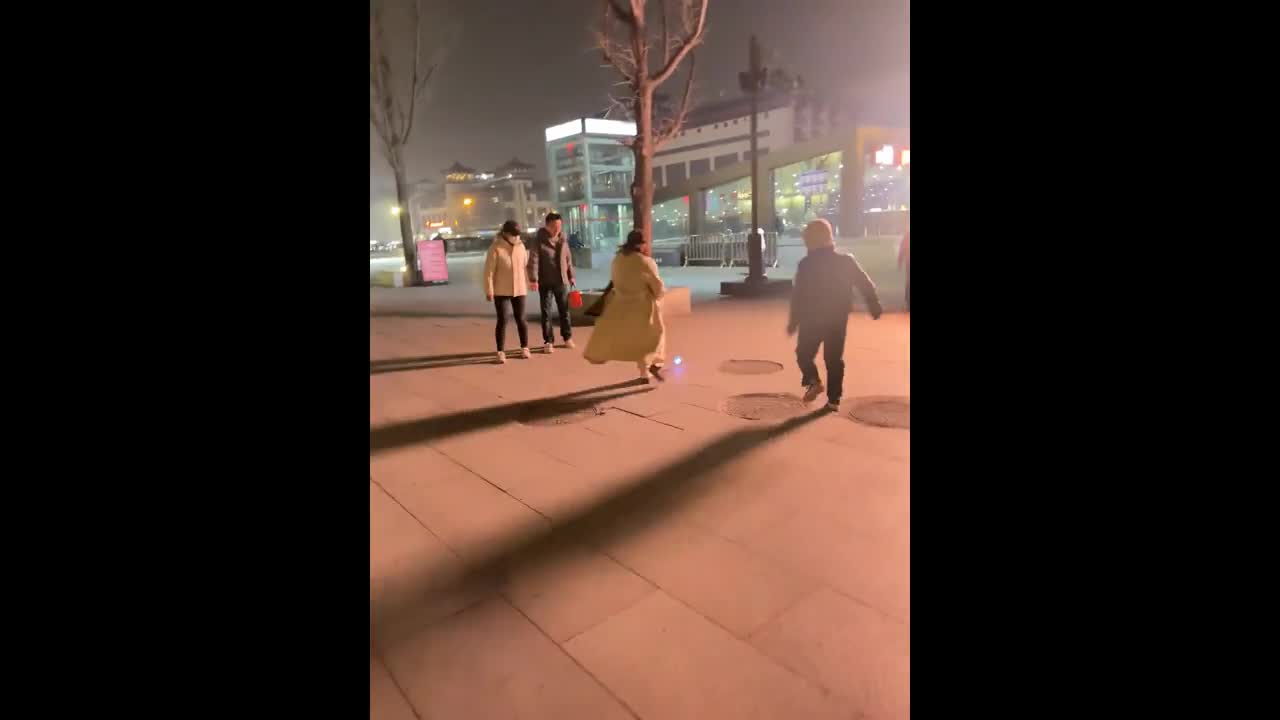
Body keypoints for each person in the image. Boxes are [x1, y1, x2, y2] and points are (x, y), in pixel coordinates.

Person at [787, 219, 882, 411]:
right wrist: (874, 305)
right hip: (837, 318)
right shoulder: (845, 261)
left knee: (803, 353)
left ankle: (813, 380)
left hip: (811, 318)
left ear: (810, 242)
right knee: (833, 359)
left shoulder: (805, 264)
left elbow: (799, 295)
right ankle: (833, 400)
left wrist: (794, 321)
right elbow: (865, 283)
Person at [583, 229, 667, 382]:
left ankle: (644, 373)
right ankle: (653, 364)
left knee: (636, 339)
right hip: (643, 306)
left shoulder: (617, 260)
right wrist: (658, 296)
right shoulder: (645, 262)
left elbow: (615, 281)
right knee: (654, 335)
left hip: (620, 305)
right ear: (641, 245)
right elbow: (658, 287)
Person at [527, 212, 576, 354]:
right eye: (554, 226)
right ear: (547, 226)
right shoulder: (538, 240)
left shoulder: (563, 239)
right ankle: (548, 341)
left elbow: (568, 260)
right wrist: (534, 279)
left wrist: (571, 276)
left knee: (564, 311)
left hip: (562, 281)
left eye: (559, 226)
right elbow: (533, 261)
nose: (557, 229)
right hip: (545, 281)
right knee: (546, 312)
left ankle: (567, 337)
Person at [483, 220, 532, 363]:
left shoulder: (521, 246)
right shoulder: (496, 247)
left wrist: (529, 283)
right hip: (501, 290)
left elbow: (525, 267)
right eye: (513, 234)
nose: (515, 237)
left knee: (521, 319)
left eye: (517, 235)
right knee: (503, 320)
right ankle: (500, 351)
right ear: (505, 233)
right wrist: (489, 290)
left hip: (520, 288)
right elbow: (489, 272)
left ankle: (524, 347)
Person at [898, 228, 910, 310]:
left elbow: (902, 249)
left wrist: (900, 261)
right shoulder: (907, 235)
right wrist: (900, 261)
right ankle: (907, 300)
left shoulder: (907, 235)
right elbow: (902, 249)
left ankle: (907, 300)